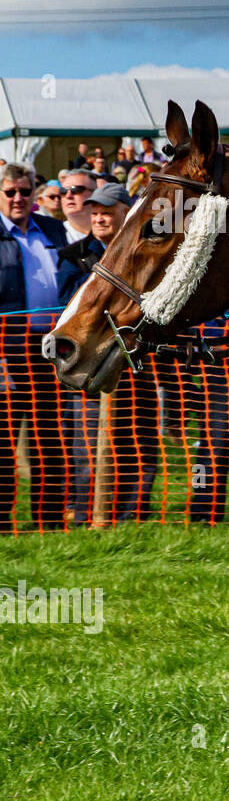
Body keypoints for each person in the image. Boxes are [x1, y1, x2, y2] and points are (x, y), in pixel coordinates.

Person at [57, 183, 159, 523]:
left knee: (138, 439)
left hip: (136, 359)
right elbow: (67, 302)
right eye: (95, 213)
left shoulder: (145, 253)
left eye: (107, 213)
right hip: (90, 361)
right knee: (87, 441)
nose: (99, 218)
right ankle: (86, 512)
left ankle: (133, 514)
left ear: (125, 214)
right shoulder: (74, 255)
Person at [0, 160, 68, 528]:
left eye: (25, 191)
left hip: (52, 348)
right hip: (6, 349)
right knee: (4, 438)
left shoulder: (54, 230)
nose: (18, 198)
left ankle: (50, 520)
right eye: (10, 192)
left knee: (50, 436)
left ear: (34, 194)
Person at [60, 168, 96, 242]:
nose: (68, 196)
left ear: (95, 194)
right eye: (63, 191)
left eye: (76, 189)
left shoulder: (113, 232)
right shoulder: (52, 236)